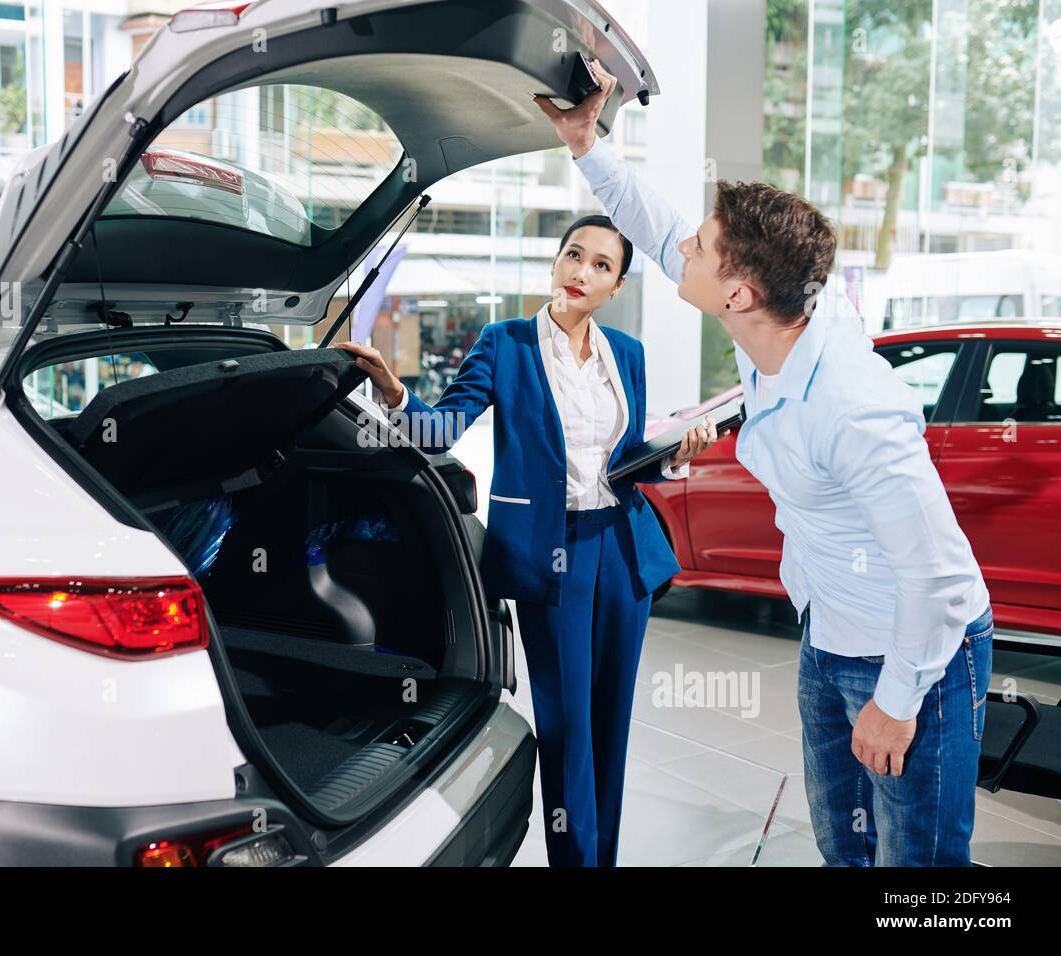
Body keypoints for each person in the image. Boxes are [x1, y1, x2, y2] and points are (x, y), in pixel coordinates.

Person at [535, 58, 993, 866]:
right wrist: (586, 145)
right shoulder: (777, 318)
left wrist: (895, 701)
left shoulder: (852, 406)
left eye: (703, 247)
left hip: (915, 655)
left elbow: (936, 576)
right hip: (828, 637)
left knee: (917, 869)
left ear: (739, 293)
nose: (683, 248)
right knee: (843, 851)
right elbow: (653, 223)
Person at [335, 216, 717, 867]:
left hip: (623, 554)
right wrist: (393, 392)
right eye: (574, 255)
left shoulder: (626, 353)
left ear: (615, 285)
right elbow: (442, 429)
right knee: (566, 729)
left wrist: (674, 454)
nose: (581, 272)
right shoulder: (506, 344)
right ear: (555, 261)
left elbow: (624, 460)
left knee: (610, 724)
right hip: (552, 556)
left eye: (601, 265)